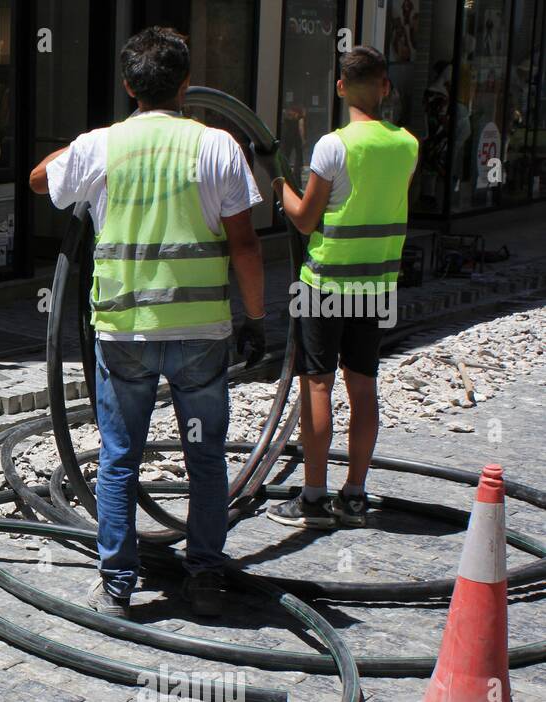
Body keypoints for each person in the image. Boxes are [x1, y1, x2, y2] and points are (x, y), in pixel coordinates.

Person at [30, 26, 268, 618]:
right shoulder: (219, 147)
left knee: (118, 459)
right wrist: (256, 319)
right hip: (201, 335)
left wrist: (80, 149)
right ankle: (206, 577)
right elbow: (245, 246)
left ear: (127, 85)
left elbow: (40, 181)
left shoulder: (101, 147)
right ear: (187, 84)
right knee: (206, 458)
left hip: (124, 336)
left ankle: (117, 584)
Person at [268, 46, 417, 530]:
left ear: (339, 88)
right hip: (377, 285)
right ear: (385, 87)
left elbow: (305, 218)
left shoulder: (333, 146)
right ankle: (354, 495)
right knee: (364, 385)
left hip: (327, 282)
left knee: (317, 382)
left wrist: (279, 189)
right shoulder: (407, 145)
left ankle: (313, 498)